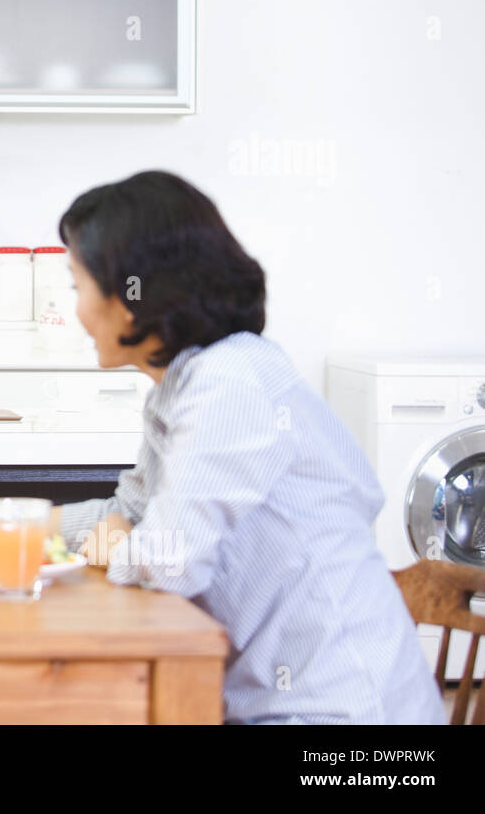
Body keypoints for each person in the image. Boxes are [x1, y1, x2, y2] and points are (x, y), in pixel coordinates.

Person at [52, 169, 444, 724]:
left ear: (131, 293)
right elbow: (131, 515)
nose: (76, 311)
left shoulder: (230, 383)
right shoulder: (187, 384)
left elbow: (168, 562)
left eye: (78, 285)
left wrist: (118, 538)